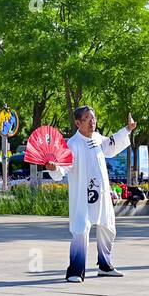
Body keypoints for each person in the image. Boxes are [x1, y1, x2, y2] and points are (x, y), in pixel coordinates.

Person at [47, 107, 137, 282]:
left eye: (93, 118)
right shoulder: (72, 144)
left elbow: (111, 145)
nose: (92, 121)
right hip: (82, 195)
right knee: (81, 230)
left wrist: (127, 129)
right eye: (87, 118)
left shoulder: (97, 138)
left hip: (101, 193)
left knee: (108, 227)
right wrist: (54, 168)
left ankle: (105, 265)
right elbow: (63, 168)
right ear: (77, 123)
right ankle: (75, 271)